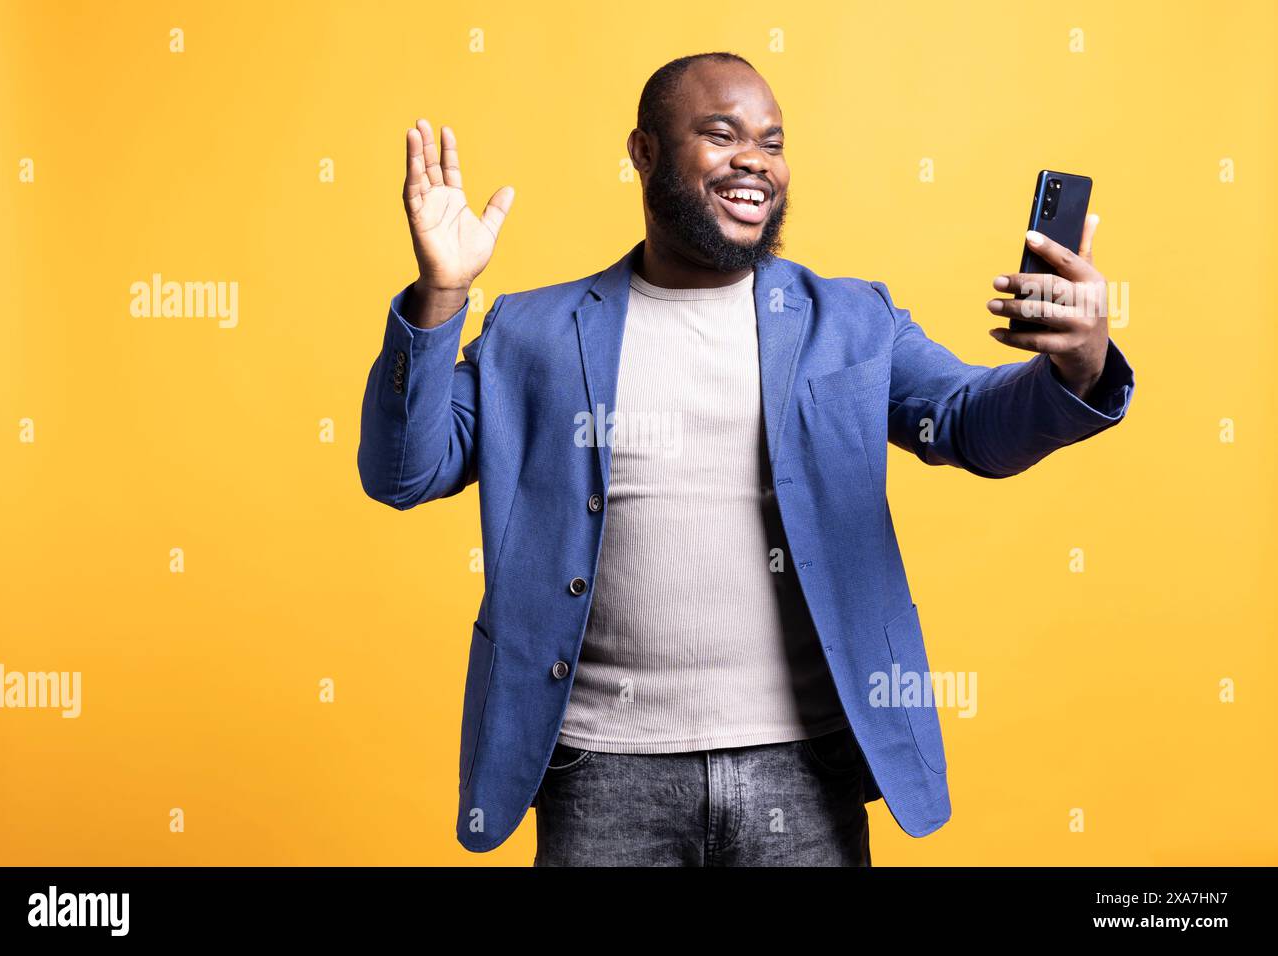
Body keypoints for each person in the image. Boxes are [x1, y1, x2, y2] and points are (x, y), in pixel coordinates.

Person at [357, 51, 1135, 866]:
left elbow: (971, 424)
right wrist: (440, 296)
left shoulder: (852, 320)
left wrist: (1074, 367)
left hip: (805, 770)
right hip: (600, 772)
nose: (754, 160)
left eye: (771, 140)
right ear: (645, 153)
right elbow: (404, 472)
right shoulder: (533, 333)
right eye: (721, 135)